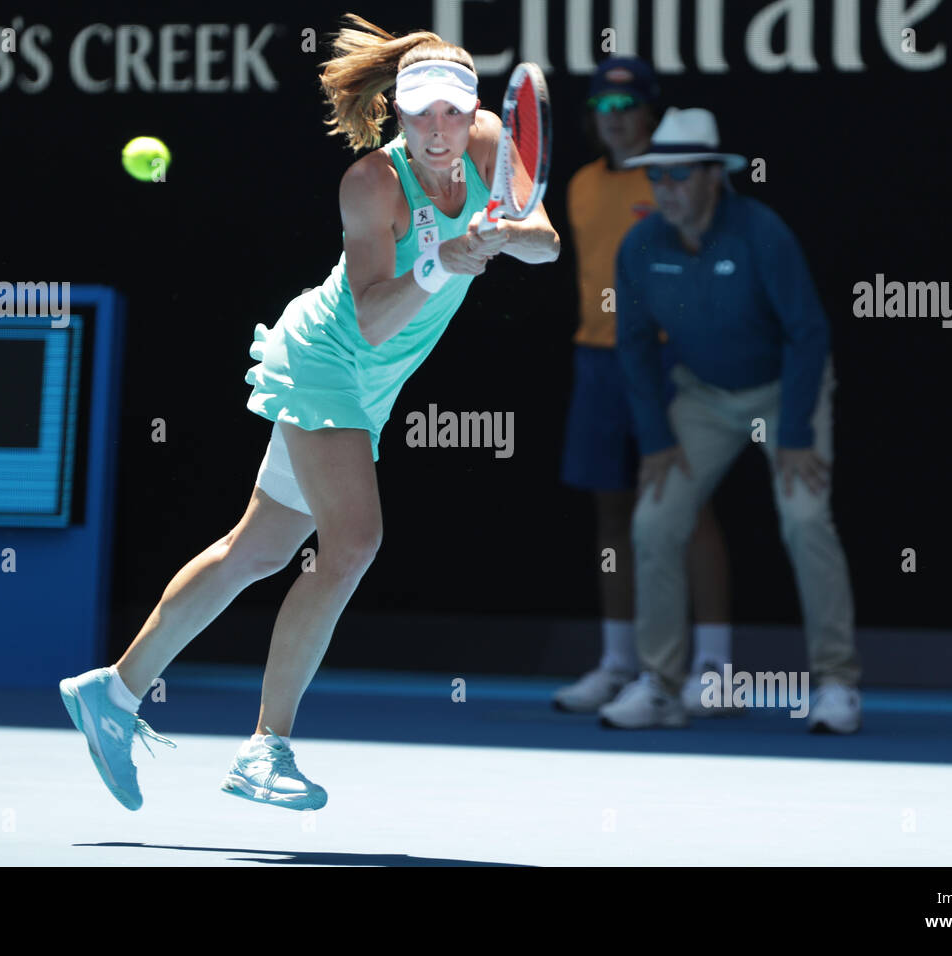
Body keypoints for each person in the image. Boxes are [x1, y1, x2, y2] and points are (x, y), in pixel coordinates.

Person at [58, 13, 560, 812]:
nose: (439, 130)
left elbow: (547, 243)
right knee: (354, 543)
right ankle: (266, 748)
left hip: (375, 385)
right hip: (327, 358)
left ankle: (113, 694)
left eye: (454, 114)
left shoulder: (493, 144)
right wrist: (444, 261)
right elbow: (368, 320)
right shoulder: (371, 185)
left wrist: (504, 234)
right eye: (422, 112)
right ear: (397, 109)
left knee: (254, 550)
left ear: (473, 114)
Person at [614, 106, 861, 732]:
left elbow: (808, 334)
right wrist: (656, 439)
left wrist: (798, 433)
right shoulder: (640, 246)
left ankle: (836, 684)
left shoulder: (762, 232)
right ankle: (661, 686)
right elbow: (636, 347)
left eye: (679, 176)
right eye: (657, 178)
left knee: (806, 517)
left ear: (712, 176)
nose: (666, 189)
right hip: (701, 399)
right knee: (653, 521)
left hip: (785, 393)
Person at [552, 58, 736, 723]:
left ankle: (713, 669)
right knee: (612, 514)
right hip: (599, 362)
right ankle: (621, 661)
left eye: (627, 105)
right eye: (603, 106)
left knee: (688, 509)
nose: (616, 117)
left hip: (671, 362)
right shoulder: (575, 187)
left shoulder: (675, 179)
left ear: (650, 112)